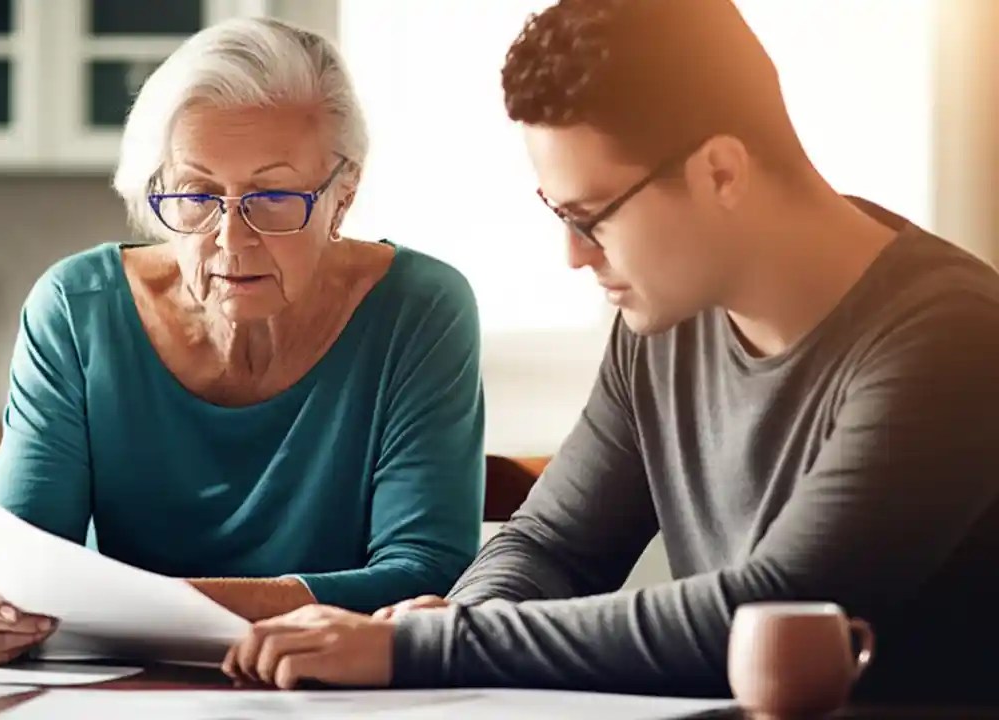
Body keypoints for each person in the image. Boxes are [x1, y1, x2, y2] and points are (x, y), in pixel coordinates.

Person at [223, 0, 999, 703]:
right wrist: (461, 619)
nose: (572, 255)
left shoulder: (952, 337)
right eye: (556, 214)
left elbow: (774, 606)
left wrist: (431, 645)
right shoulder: (663, 324)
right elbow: (552, 544)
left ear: (721, 171)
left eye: (590, 217)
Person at [0, 17, 485, 666]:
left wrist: (142, 607)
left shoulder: (420, 309)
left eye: (273, 195)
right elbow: (19, 565)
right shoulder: (75, 311)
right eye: (198, 193)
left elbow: (424, 579)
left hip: (333, 693)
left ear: (343, 196)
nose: (231, 239)